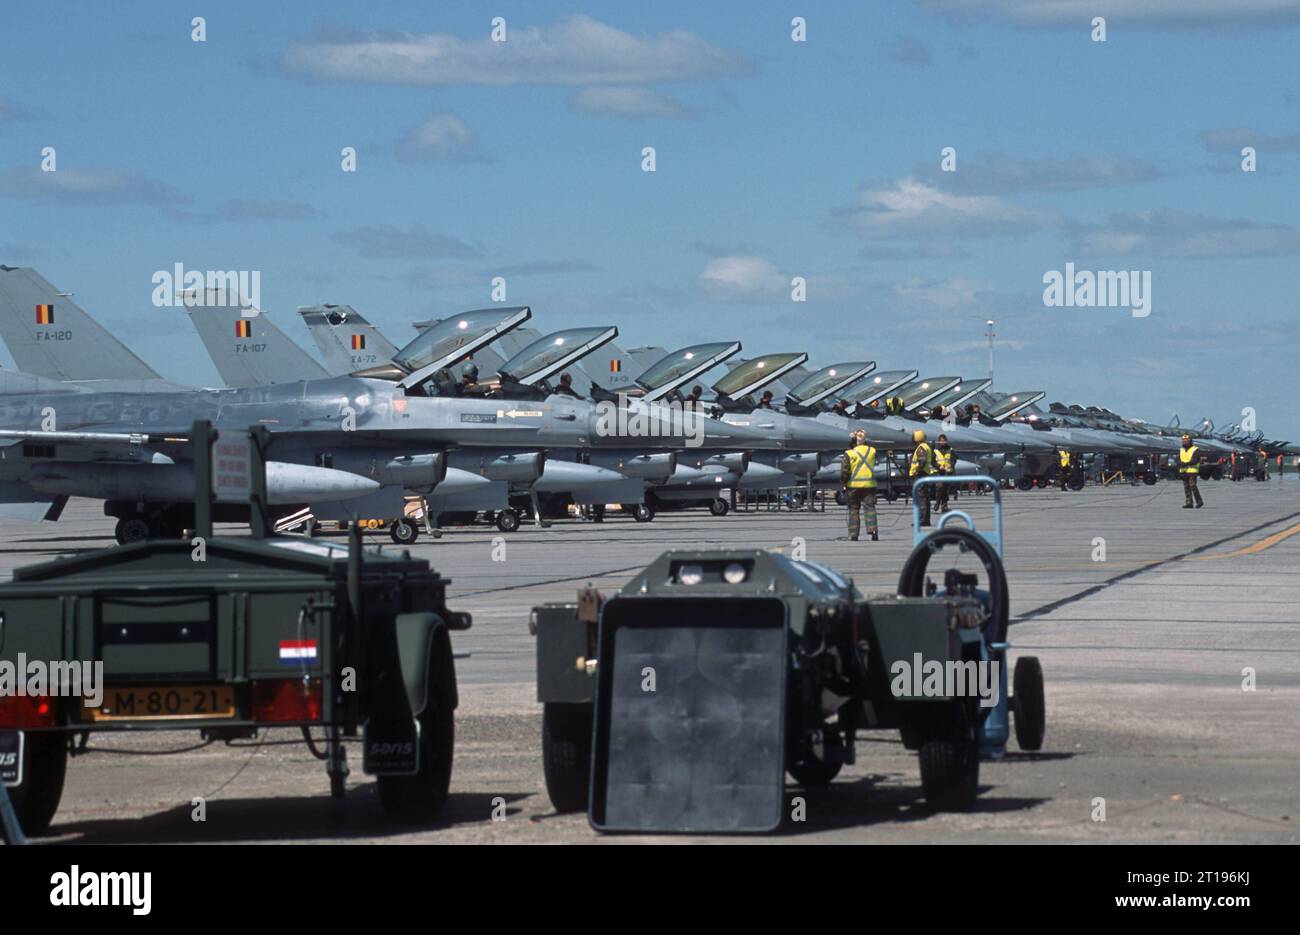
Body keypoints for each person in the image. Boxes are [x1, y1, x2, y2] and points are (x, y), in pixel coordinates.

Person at [840, 429, 878, 541]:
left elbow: (844, 471)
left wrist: (843, 483)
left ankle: (853, 534)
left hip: (853, 486)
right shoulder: (872, 451)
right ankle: (873, 532)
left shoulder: (849, 453)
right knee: (870, 508)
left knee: (853, 509)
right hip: (869, 486)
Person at [909, 428, 936, 526]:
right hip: (923, 474)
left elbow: (922, 461)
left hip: (920, 475)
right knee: (924, 497)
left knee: (921, 498)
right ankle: (925, 519)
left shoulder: (921, 447)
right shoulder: (926, 446)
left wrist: (917, 470)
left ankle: (922, 520)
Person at [1178, 433, 1203, 508]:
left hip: (1192, 471)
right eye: (1183, 440)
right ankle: (1189, 503)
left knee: (1193, 486)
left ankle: (1199, 501)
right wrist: (1179, 463)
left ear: (1190, 441)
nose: (1185, 441)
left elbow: (1196, 459)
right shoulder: (1181, 450)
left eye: (1187, 440)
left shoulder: (1195, 449)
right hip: (1184, 471)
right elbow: (1178, 459)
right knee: (1186, 487)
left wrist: (1187, 463)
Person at [932, 434, 954, 513]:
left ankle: (944, 507)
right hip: (939, 472)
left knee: (945, 490)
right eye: (941, 440)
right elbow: (932, 461)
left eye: (944, 440)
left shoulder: (950, 449)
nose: (943, 442)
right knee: (940, 487)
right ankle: (937, 503)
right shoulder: (936, 450)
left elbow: (954, 459)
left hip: (947, 472)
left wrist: (951, 464)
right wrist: (938, 466)